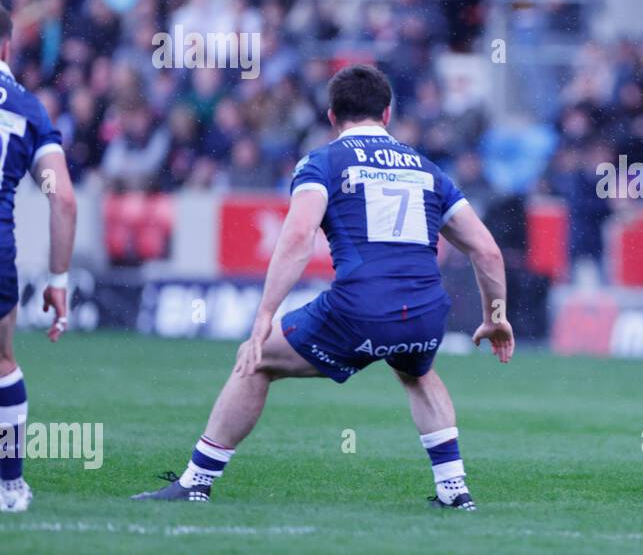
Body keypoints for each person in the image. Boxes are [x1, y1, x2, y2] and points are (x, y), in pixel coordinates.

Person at [133, 65, 514, 509]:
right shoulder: (428, 170)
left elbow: (297, 239)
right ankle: (455, 491)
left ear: (332, 117)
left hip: (361, 306)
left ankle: (195, 481)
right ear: (387, 114)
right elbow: (487, 251)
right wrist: (497, 319)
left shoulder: (323, 162)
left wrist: (263, 317)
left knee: (255, 361)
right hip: (426, 310)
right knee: (417, 371)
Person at [0, 5, 79, 513]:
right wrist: (58, 278)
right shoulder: (28, 109)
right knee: (2, 364)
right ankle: (9, 488)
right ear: (7, 47)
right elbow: (63, 198)